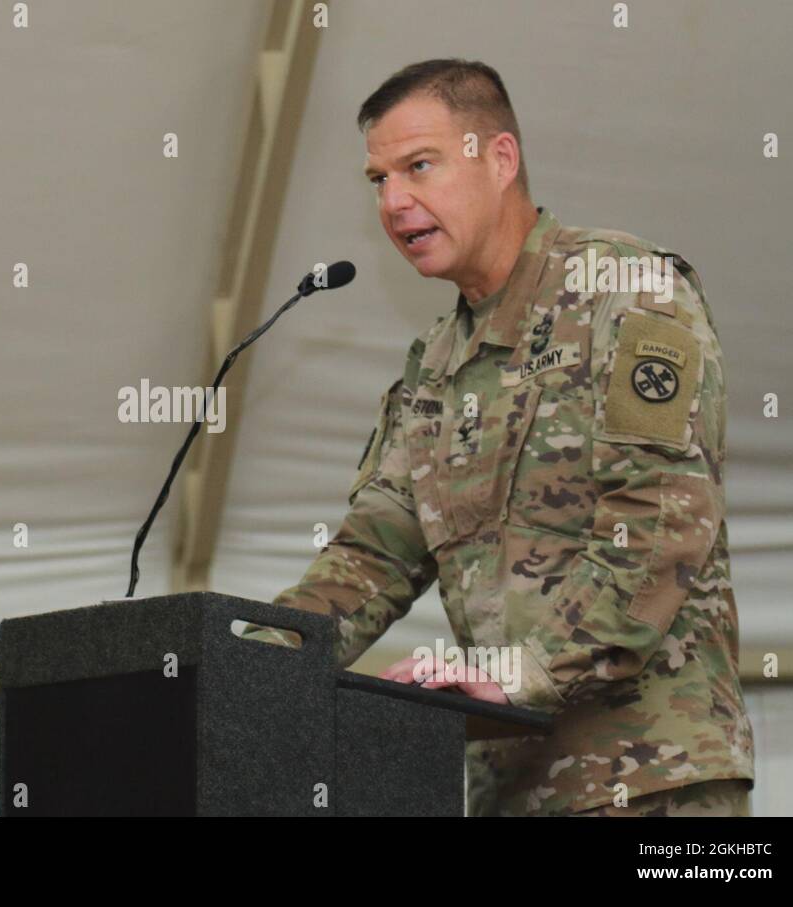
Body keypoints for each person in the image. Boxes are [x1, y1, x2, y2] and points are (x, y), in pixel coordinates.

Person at [256, 59, 754, 816]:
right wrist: (244, 666)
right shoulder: (434, 365)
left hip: (653, 781)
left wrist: (520, 671)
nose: (394, 202)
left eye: (418, 167)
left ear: (499, 159)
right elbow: (370, 559)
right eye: (378, 180)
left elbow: (660, 528)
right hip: (509, 793)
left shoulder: (627, 293)